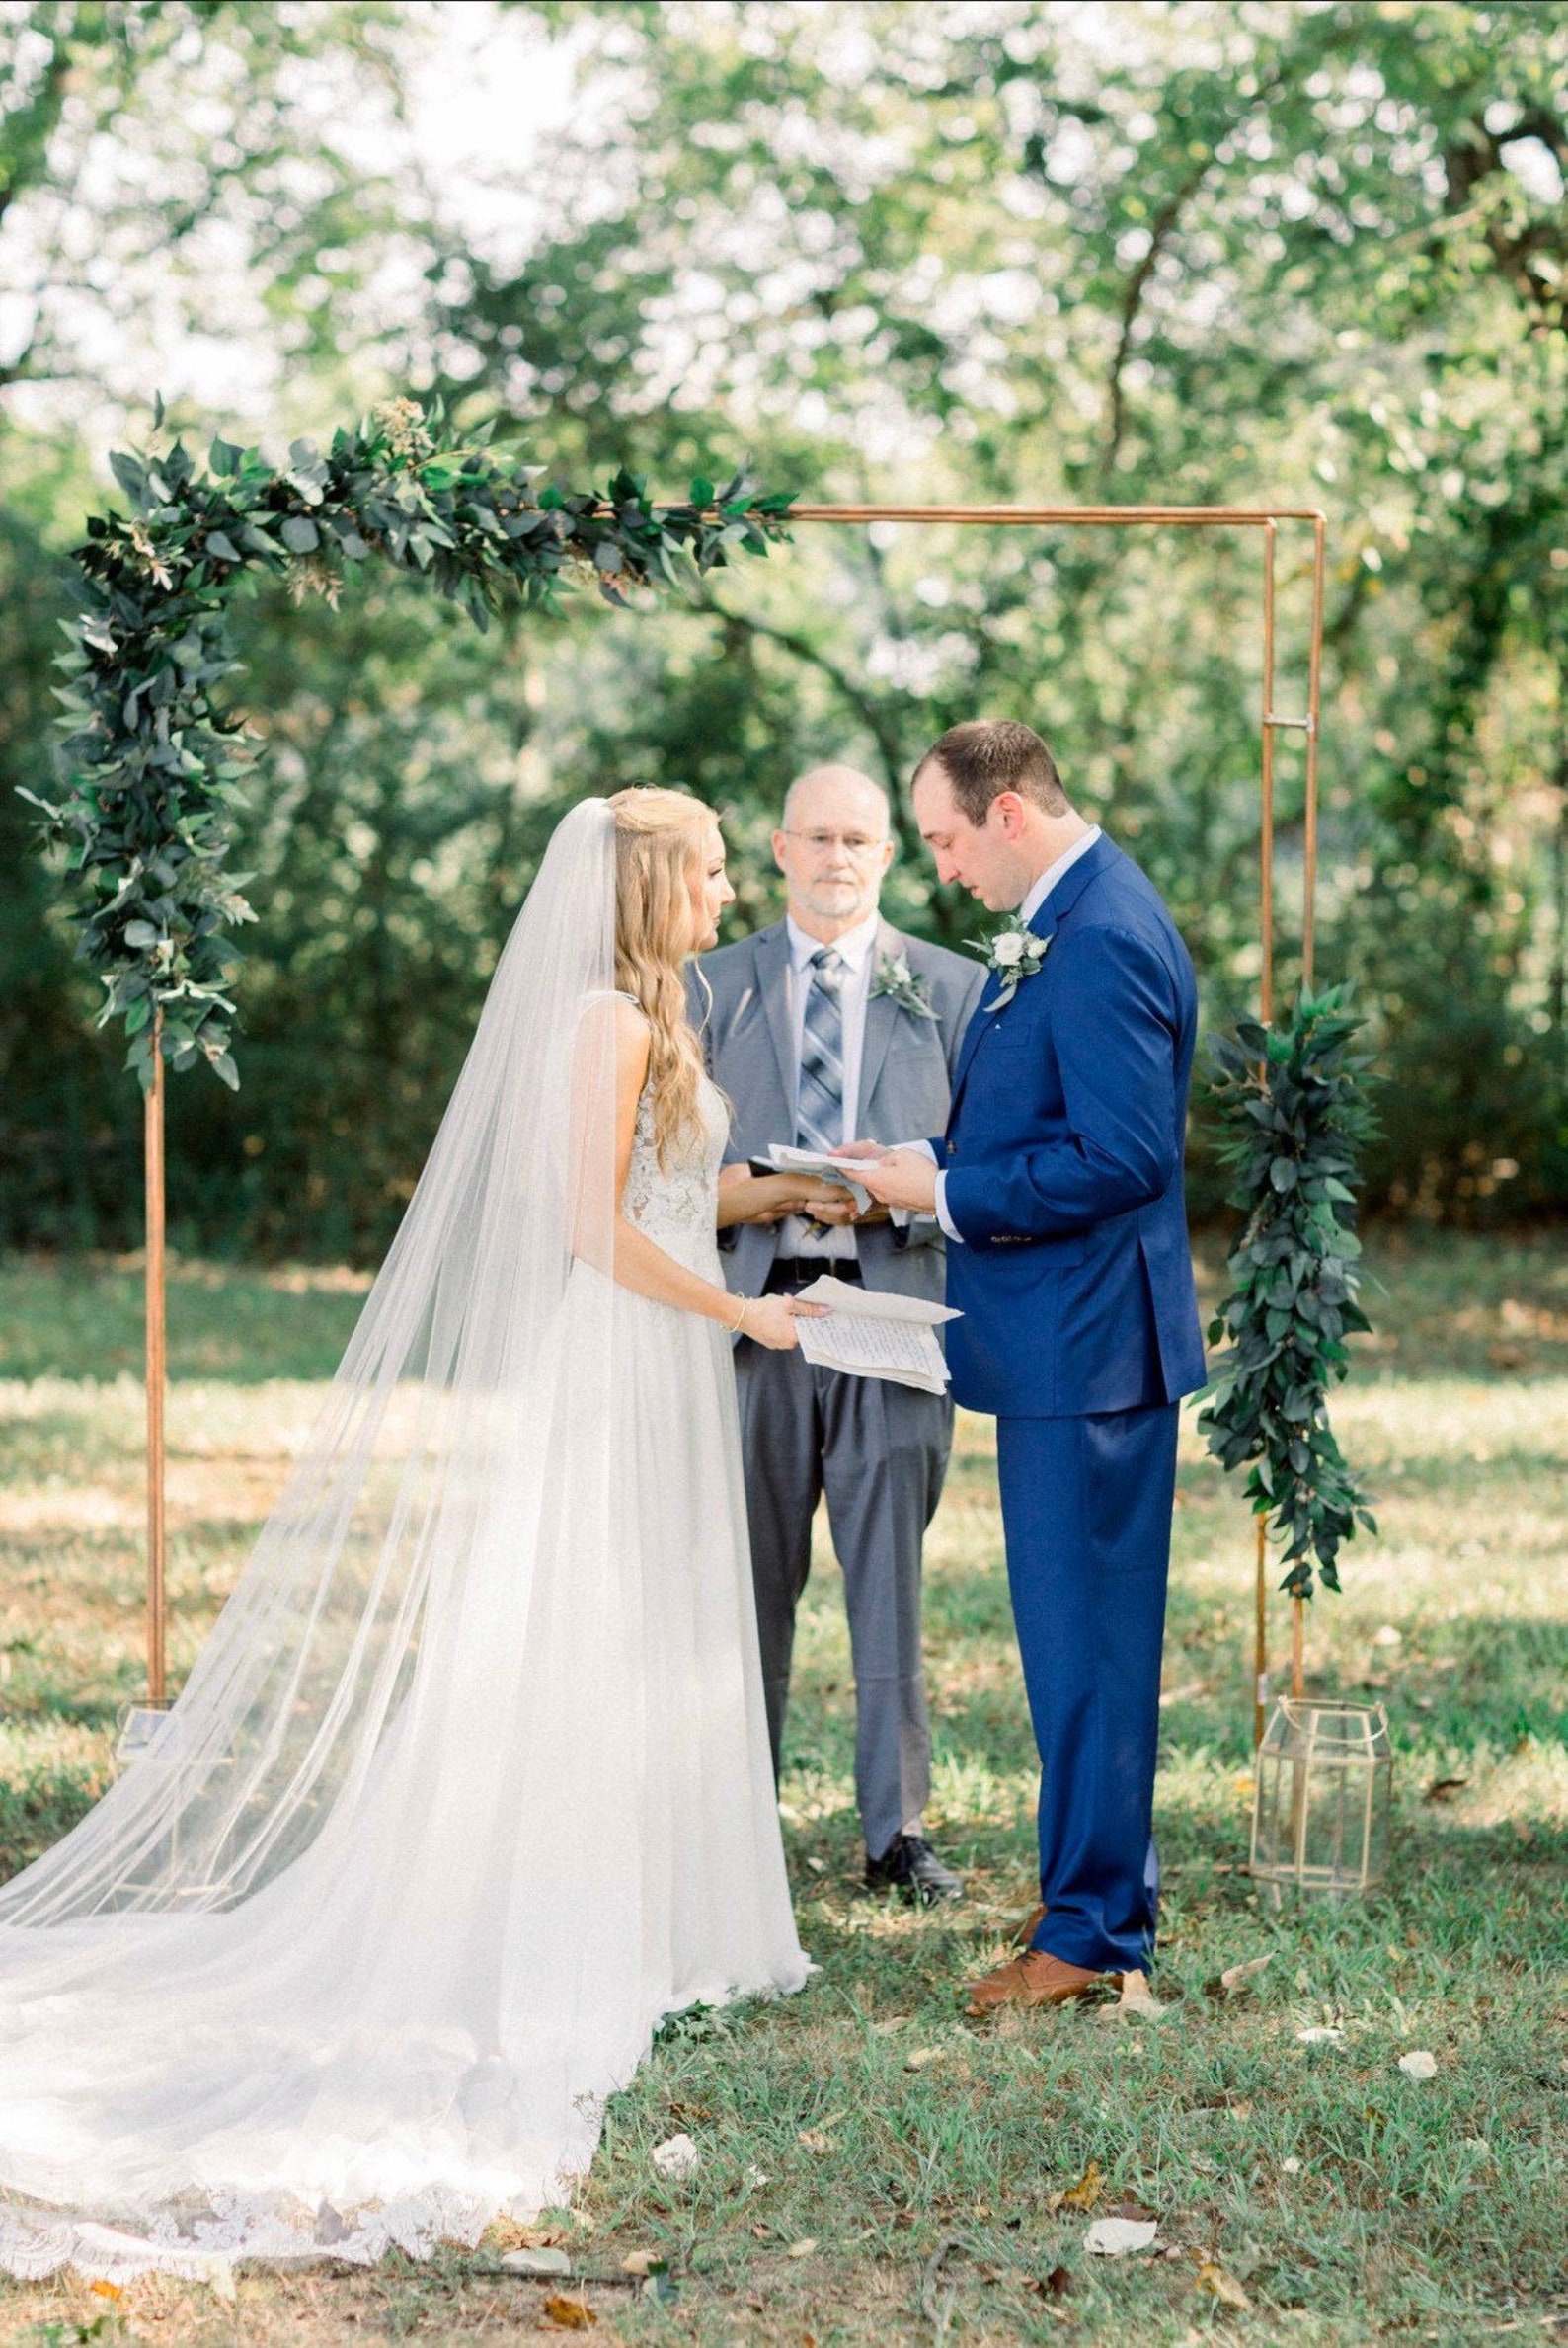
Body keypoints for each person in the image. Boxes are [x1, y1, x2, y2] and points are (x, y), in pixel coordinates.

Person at [0, 789, 823, 2286]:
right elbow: (595, 1226)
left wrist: (789, 1193)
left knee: (666, 1639)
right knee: (586, 1630)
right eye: (705, 872)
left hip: (671, 1356)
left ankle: (675, 1909)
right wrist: (740, 1307)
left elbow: (680, 1191)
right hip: (624, 1357)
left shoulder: (661, 1019)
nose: (722, 891)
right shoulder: (603, 1024)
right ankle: (572, 1911)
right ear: (647, 888)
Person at [852, 721, 1206, 2010]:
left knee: (1087, 1653)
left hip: (1093, 1350)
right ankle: (1101, 1902)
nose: (941, 868)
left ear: (1007, 813)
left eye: (943, 838)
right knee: (1080, 1649)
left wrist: (945, 1192)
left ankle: (1093, 1932)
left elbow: (1125, 1157)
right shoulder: (1077, 908)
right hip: (1071, 1343)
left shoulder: (1102, 931)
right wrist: (921, 1171)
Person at [694, 763, 984, 1903]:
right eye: (816, 837)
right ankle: (731, 1817)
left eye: (858, 839)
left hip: (893, 1312)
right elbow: (662, 1166)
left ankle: (894, 1831)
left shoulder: (954, 992)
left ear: (888, 854)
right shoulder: (707, 987)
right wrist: (767, 1191)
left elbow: (980, 1165)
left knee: (888, 1583)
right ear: (777, 849)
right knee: (744, 1583)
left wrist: (892, 1193)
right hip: (755, 1319)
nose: (837, 858)